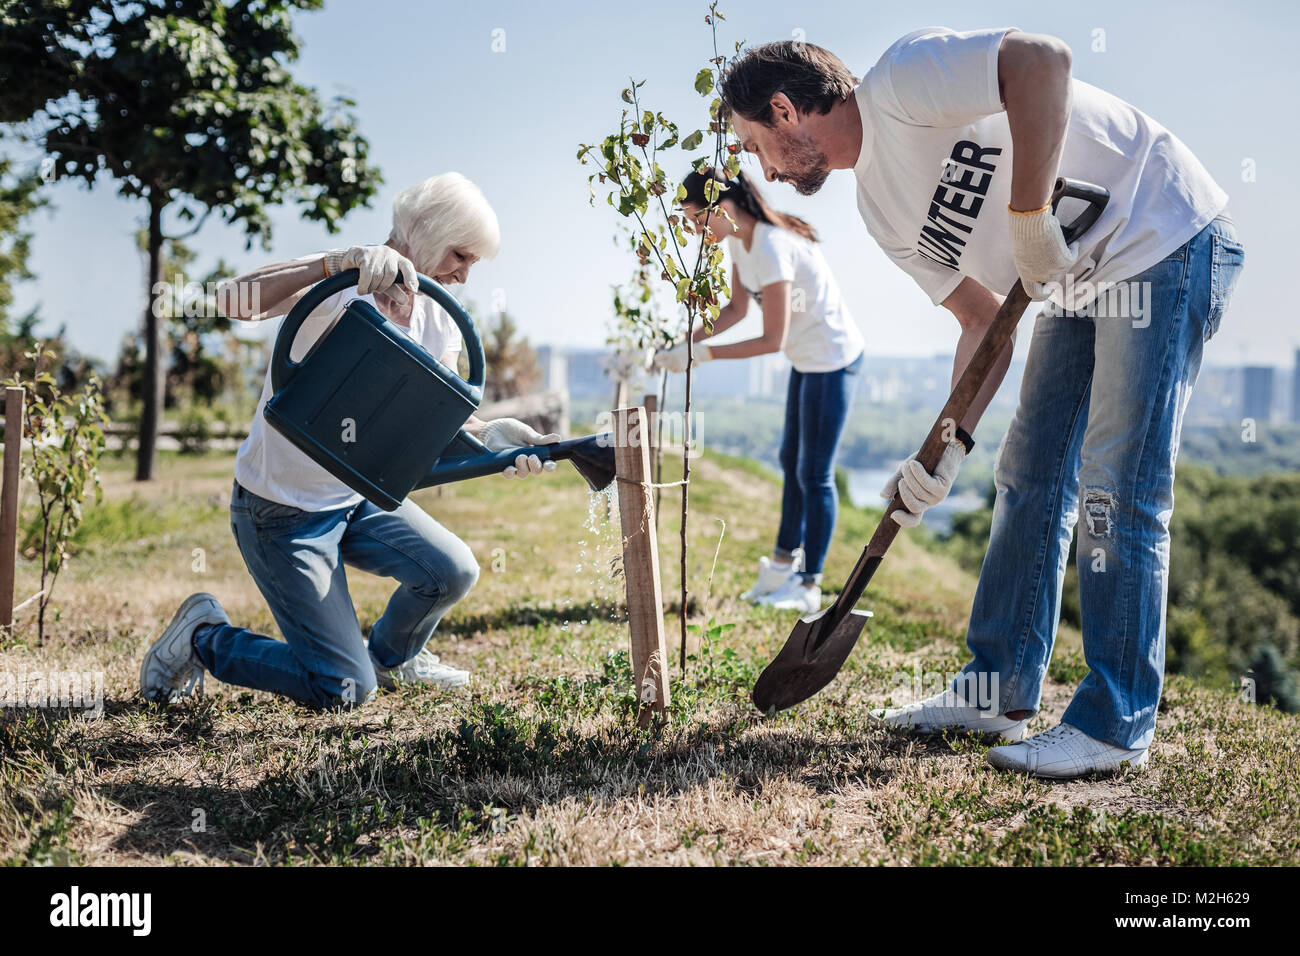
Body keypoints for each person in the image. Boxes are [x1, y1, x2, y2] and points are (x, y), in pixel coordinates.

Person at [720, 28, 1244, 778]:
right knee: (1028, 475)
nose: (759, 168)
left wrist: (1027, 217)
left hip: (1160, 235)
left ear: (783, 110)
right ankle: (994, 690)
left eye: (752, 144)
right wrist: (945, 446)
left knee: (1116, 487)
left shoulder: (902, 83)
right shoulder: (882, 213)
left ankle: (1113, 725)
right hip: (1072, 281)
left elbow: (1042, 63)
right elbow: (978, 322)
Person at [140, 172, 561, 710]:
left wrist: (497, 441)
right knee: (342, 690)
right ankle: (204, 638)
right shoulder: (341, 287)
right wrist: (334, 264)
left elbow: (444, 423)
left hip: (358, 499)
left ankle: (393, 658)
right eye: (461, 255)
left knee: (452, 571)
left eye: (473, 263)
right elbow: (230, 300)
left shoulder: (442, 323)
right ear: (428, 232)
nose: (464, 275)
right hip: (283, 514)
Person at [654, 168, 863, 613]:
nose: (694, 231)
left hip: (832, 359)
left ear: (723, 209)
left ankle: (809, 585)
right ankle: (782, 566)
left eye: (696, 220)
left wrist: (703, 357)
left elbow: (771, 340)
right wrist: (688, 340)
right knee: (792, 461)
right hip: (807, 360)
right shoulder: (739, 242)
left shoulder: (771, 246)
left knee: (815, 474)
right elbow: (734, 309)